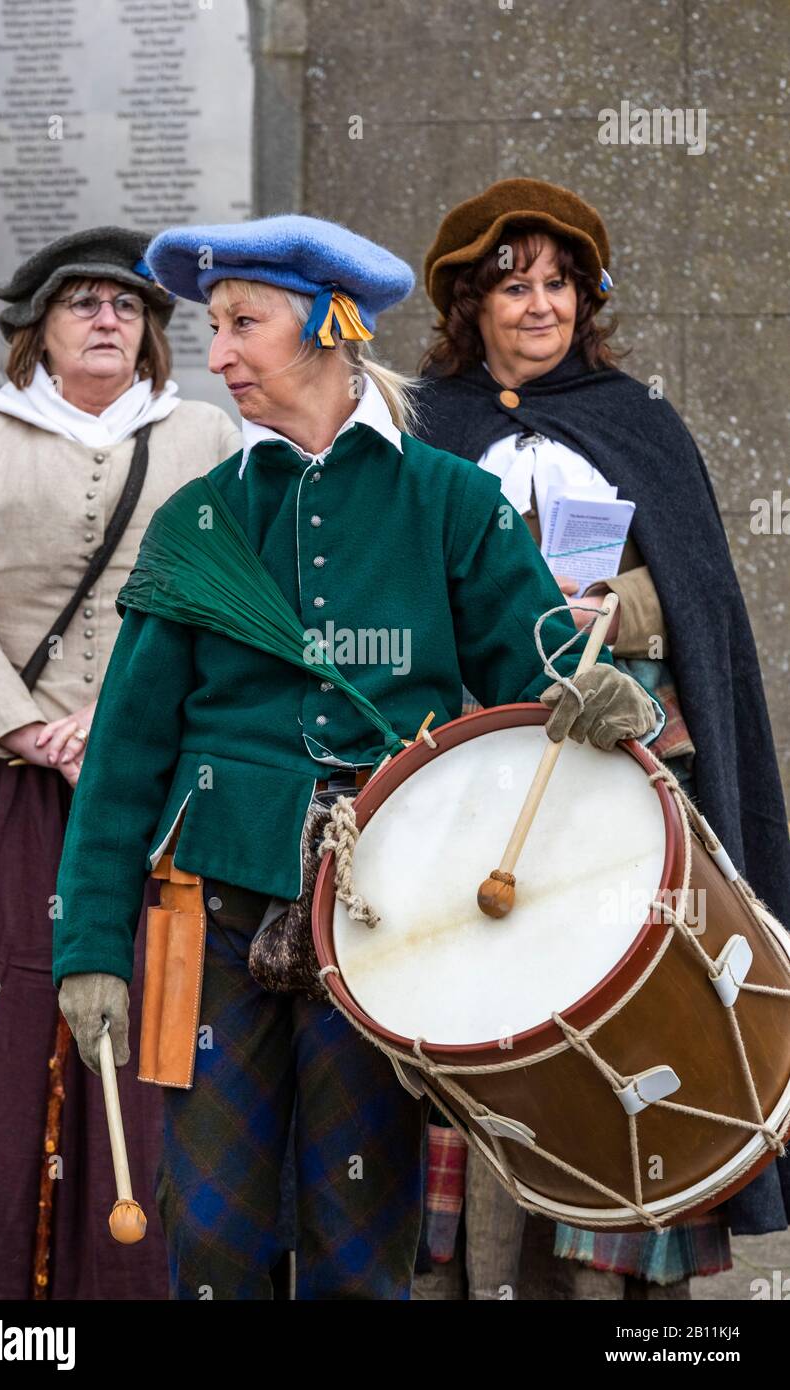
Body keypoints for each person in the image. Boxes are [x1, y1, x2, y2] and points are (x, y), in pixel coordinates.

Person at [52, 213, 662, 1301]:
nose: (219, 354)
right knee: (214, 1240)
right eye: (215, 327)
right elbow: (125, 758)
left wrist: (589, 699)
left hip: (391, 916)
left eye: (245, 324)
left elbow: (530, 681)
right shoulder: (196, 522)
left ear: (334, 326)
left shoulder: (449, 500)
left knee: (359, 1237)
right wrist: (90, 943)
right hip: (210, 911)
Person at [413, 176, 790, 1298]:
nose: (539, 306)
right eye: (512, 286)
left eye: (558, 286)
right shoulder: (424, 428)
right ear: (467, 306)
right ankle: (479, 1270)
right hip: (475, 760)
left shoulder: (639, 421)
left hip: (621, 751)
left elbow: (699, 593)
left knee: (618, 1000)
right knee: (484, 1007)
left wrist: (616, 609)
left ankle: (624, 1288)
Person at [0, 226, 241, 1299]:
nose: (107, 318)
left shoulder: (207, 435)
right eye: (81, 303)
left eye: (125, 304)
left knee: (154, 1032)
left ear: (152, 333)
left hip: (161, 788)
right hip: (17, 787)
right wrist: (21, 725)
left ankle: (134, 1281)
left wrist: (115, 720)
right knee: (11, 1032)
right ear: (36, 333)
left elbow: (232, 594)